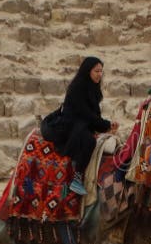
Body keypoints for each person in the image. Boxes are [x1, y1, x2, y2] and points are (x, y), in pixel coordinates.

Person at [41, 56, 118, 195]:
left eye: (101, 71)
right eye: (96, 71)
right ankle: (77, 178)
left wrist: (107, 125)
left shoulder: (94, 89)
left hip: (82, 122)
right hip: (69, 125)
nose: (100, 74)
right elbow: (85, 114)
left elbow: (94, 115)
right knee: (88, 141)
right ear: (88, 71)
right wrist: (104, 124)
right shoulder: (77, 88)